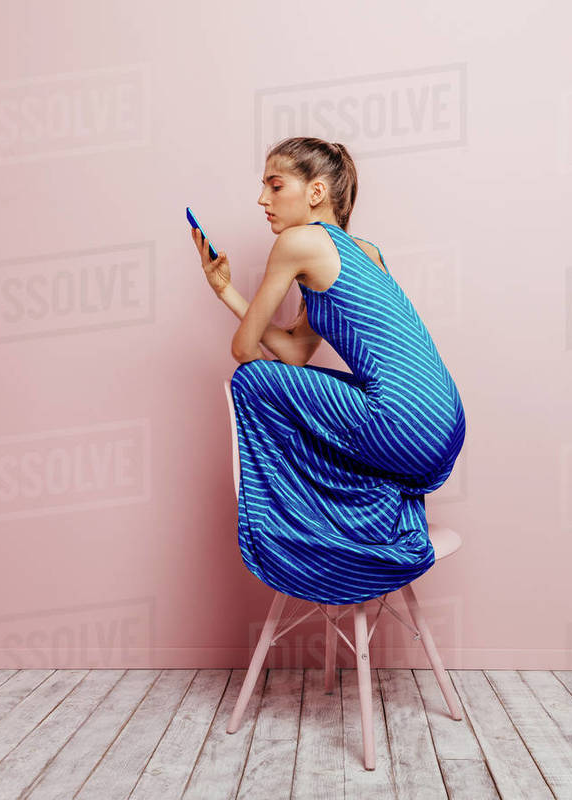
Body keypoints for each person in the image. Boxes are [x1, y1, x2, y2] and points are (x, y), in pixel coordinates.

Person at [191, 136, 465, 605]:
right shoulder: (365, 250)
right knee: (283, 381)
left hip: (404, 422)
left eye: (276, 186)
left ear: (315, 192)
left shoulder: (298, 242)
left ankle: (317, 525)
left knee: (251, 381)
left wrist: (240, 326)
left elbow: (243, 350)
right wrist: (225, 290)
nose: (262, 200)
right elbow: (296, 353)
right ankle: (354, 511)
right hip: (444, 423)